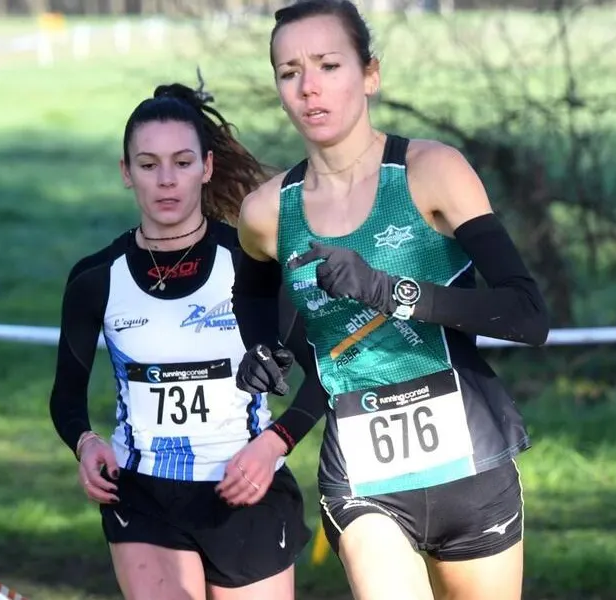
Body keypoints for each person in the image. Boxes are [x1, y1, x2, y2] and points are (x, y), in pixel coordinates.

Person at [229, 2, 551, 600]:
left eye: (328, 64)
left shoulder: (433, 171)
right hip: (362, 479)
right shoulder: (268, 211)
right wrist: (260, 346)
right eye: (289, 71)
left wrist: (390, 291)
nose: (309, 86)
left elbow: (528, 316)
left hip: (471, 466)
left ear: (370, 74)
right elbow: (249, 290)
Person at [48, 80, 325, 600]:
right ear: (126, 173)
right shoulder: (95, 279)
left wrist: (273, 445)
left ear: (207, 167)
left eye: (181, 162)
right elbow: (67, 396)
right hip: (142, 493)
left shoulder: (250, 265)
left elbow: (329, 373)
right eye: (148, 165)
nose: (166, 181)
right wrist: (85, 444)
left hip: (245, 490)